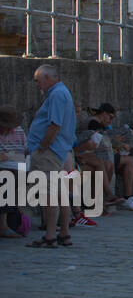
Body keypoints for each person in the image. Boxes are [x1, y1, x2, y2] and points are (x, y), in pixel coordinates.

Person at [26, 65, 78, 248]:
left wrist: (41, 147)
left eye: (38, 80)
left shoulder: (56, 94)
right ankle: (64, 233)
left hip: (49, 152)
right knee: (59, 193)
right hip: (59, 151)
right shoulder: (62, 92)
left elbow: (54, 125)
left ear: (47, 78)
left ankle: (50, 235)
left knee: (48, 194)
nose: (37, 85)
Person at [0, 105, 29, 239]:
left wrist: (9, 155)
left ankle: (10, 220)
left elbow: (25, 151)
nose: (10, 128)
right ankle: (3, 225)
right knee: (7, 179)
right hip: (5, 169)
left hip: (19, 167)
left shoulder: (19, 131)